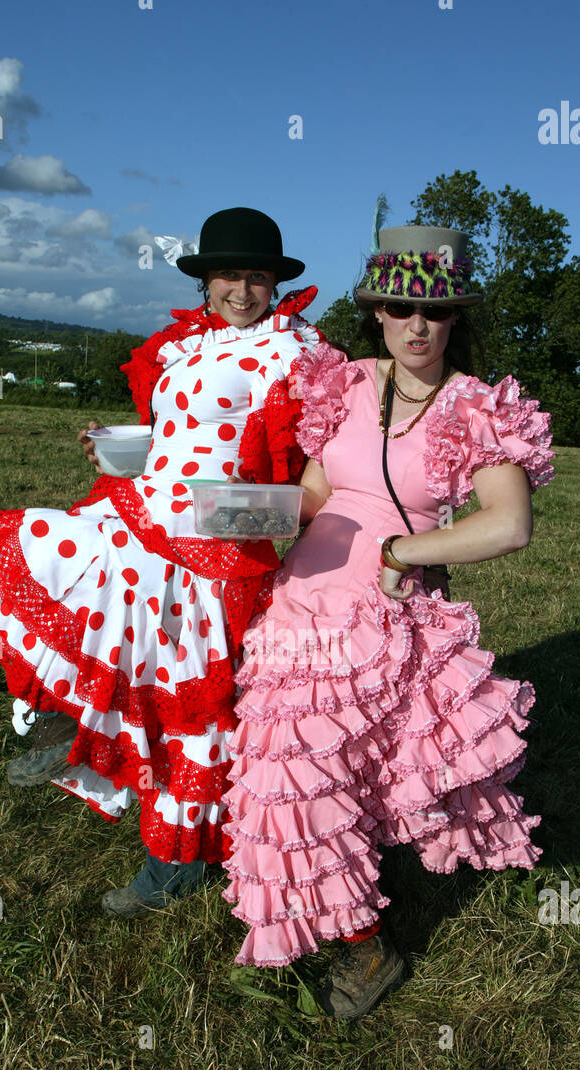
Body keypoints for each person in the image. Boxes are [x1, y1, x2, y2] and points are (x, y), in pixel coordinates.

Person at [0, 207, 323, 909]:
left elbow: (305, 482)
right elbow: (171, 440)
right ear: (205, 281)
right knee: (23, 553)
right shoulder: (181, 346)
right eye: (228, 275)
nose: (242, 289)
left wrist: (225, 514)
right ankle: (73, 719)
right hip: (137, 516)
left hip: (212, 551)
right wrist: (120, 449)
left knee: (190, 711)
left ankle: (174, 864)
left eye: (257, 277)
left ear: (276, 284)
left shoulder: (296, 354)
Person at [220, 223, 555, 1020]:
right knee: (295, 768)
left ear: (453, 321)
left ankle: (365, 950)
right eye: (399, 308)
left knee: (307, 769)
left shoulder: (476, 407)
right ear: (375, 311)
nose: (415, 326)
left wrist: (407, 548)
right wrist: (249, 511)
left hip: (385, 605)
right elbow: (315, 491)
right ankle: (320, 916)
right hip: (302, 595)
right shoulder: (341, 383)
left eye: (432, 314)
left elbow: (507, 525)